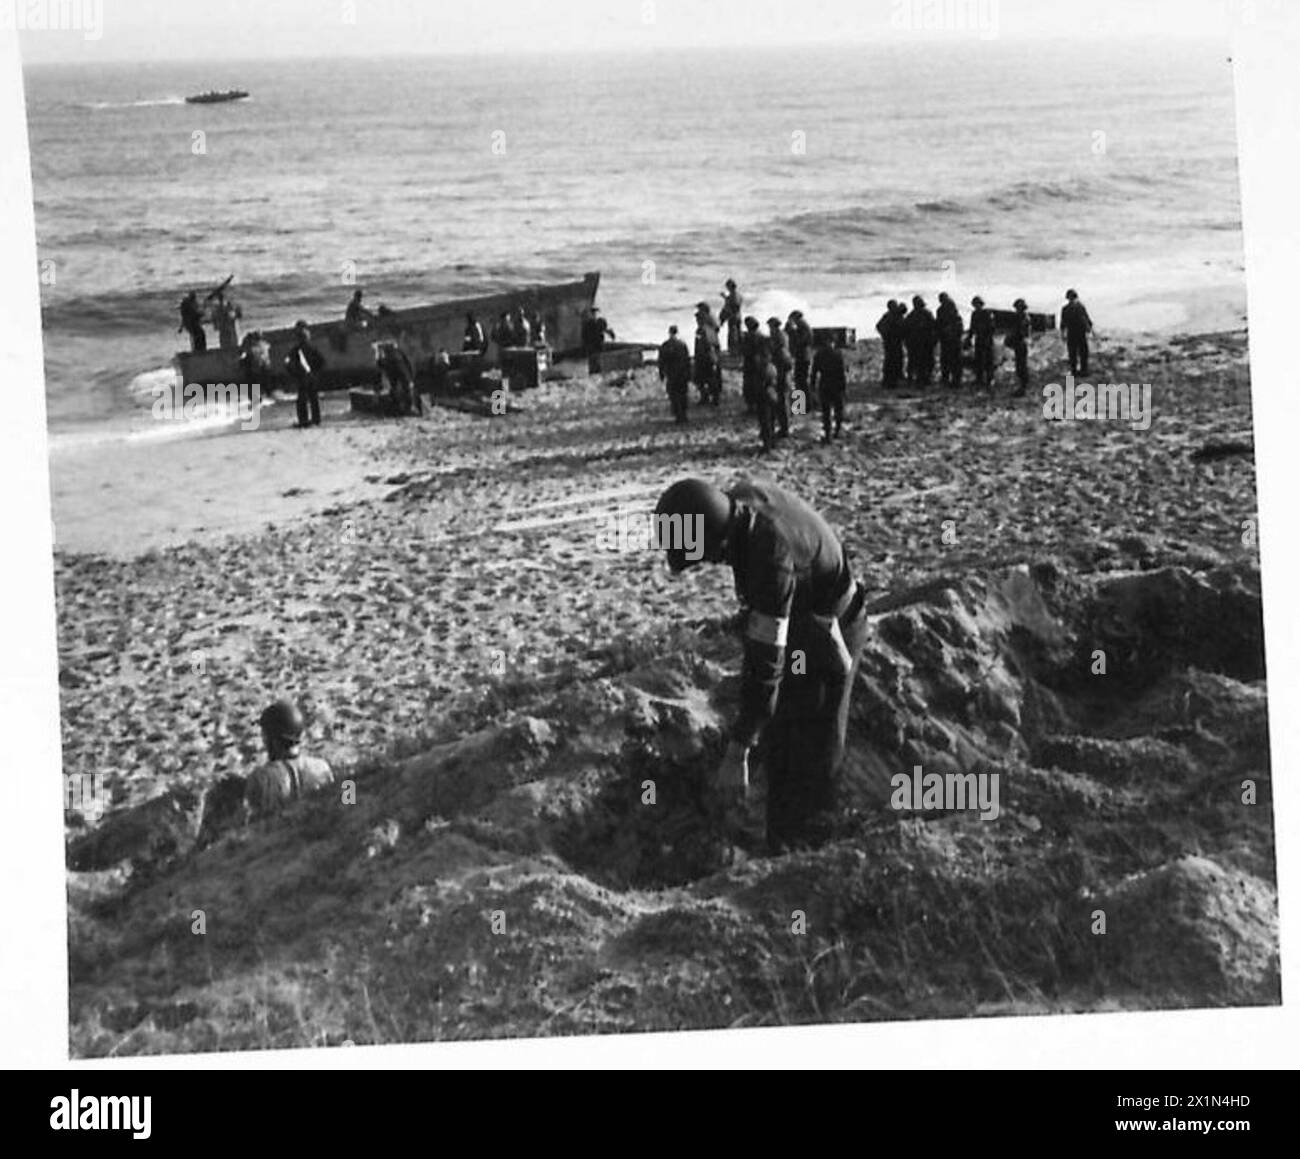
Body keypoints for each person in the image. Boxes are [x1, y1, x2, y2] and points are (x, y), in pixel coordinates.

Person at [652, 478, 870, 852]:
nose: (712, 563)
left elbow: (767, 665)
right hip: (805, 613)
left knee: (814, 747)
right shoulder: (737, 506)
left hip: (830, 628)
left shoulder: (771, 558)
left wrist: (738, 751)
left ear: (719, 543)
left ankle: (810, 853)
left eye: (707, 557)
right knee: (782, 735)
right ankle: (780, 838)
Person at [244, 699, 335, 820]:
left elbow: (250, 821)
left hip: (278, 836)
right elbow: (342, 801)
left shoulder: (261, 777)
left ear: (273, 741)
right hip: (320, 833)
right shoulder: (322, 767)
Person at [740, 316, 776, 449]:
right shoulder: (766, 340)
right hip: (771, 377)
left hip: (761, 380)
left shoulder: (753, 341)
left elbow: (746, 353)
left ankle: (769, 439)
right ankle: (798, 413)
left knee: (766, 410)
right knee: (773, 407)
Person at [285, 320, 326, 427]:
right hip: (312, 376)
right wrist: (316, 372)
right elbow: (321, 361)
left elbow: (288, 364)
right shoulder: (312, 348)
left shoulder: (295, 350)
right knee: (313, 399)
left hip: (302, 377)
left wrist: (293, 375)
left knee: (302, 400)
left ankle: (303, 421)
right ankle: (316, 420)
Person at [810, 332, 848, 444]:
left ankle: (828, 434)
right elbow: (842, 373)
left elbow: (814, 372)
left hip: (825, 384)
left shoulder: (819, 354)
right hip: (835, 384)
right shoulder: (837, 354)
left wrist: (812, 386)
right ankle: (837, 430)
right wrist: (844, 388)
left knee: (827, 411)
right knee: (837, 409)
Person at [658, 324, 693, 424]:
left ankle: (678, 416)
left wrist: (661, 373)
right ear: (677, 332)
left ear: (669, 333)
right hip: (682, 373)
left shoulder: (665, 345)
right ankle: (684, 415)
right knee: (682, 394)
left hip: (671, 374)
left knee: (674, 395)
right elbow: (687, 360)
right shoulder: (682, 344)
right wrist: (689, 374)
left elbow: (661, 361)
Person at [376, 340, 421, 416]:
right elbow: (406, 365)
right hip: (401, 378)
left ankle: (404, 409)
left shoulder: (392, 356)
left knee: (401, 390)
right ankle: (406, 409)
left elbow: (381, 364)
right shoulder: (396, 355)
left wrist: (378, 352)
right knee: (403, 390)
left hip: (400, 378)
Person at [767, 316, 792, 439]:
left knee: (782, 402)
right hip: (785, 374)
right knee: (784, 400)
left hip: (781, 375)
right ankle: (785, 426)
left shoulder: (779, 341)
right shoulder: (784, 336)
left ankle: (785, 429)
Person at [693, 302, 723, 406]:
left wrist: (713, 361)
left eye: (698, 319)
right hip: (706, 358)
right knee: (705, 379)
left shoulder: (704, 331)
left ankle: (711, 398)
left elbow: (710, 346)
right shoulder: (707, 329)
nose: (697, 321)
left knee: (706, 380)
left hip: (706, 359)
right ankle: (709, 398)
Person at [903, 295, 936, 386]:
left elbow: (905, 330)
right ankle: (922, 379)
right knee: (924, 361)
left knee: (917, 361)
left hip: (920, 343)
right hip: (921, 343)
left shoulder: (912, 315)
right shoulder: (925, 314)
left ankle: (916, 379)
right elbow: (934, 327)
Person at [1061, 288, 1093, 375]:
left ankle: (1077, 370)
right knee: (1078, 352)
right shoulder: (1079, 307)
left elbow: (1063, 323)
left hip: (1075, 333)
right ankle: (1080, 370)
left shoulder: (1067, 308)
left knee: (1077, 352)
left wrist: (1063, 333)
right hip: (1077, 332)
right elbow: (1086, 318)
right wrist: (1089, 327)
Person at [785, 311, 814, 404]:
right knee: (800, 381)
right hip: (802, 356)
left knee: (801, 381)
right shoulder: (803, 327)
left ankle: (803, 405)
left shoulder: (803, 328)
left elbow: (799, 341)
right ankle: (803, 405)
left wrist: (791, 331)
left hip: (803, 357)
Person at [936, 291, 964, 390]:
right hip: (948, 339)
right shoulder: (941, 310)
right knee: (948, 360)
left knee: (953, 360)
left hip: (952, 339)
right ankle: (949, 379)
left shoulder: (949, 309)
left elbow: (958, 325)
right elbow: (938, 324)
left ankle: (954, 380)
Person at [967, 296, 996, 389]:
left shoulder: (987, 313)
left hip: (987, 339)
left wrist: (988, 338)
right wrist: (969, 338)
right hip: (979, 339)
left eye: (977, 304)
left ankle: (990, 379)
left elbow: (991, 328)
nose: (976, 306)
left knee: (988, 360)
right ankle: (979, 379)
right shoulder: (974, 314)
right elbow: (972, 327)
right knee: (978, 360)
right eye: (975, 305)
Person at [875, 300, 903, 389]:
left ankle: (890, 381)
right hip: (893, 342)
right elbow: (879, 326)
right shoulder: (891, 316)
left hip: (892, 342)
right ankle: (891, 382)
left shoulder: (889, 316)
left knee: (891, 361)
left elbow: (879, 326)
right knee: (893, 362)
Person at [1007, 298, 1032, 396]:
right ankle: (1021, 387)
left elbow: (1021, 332)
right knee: (1019, 366)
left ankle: (1023, 388)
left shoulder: (1024, 318)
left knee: (1021, 366)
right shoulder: (1020, 317)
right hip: (1019, 343)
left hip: (1021, 343)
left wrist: (1012, 338)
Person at [719, 279, 744, 355]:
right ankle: (738, 350)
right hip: (737, 317)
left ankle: (734, 352)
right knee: (737, 334)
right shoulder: (737, 295)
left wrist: (726, 299)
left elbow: (732, 307)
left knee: (733, 336)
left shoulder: (734, 296)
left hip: (733, 318)